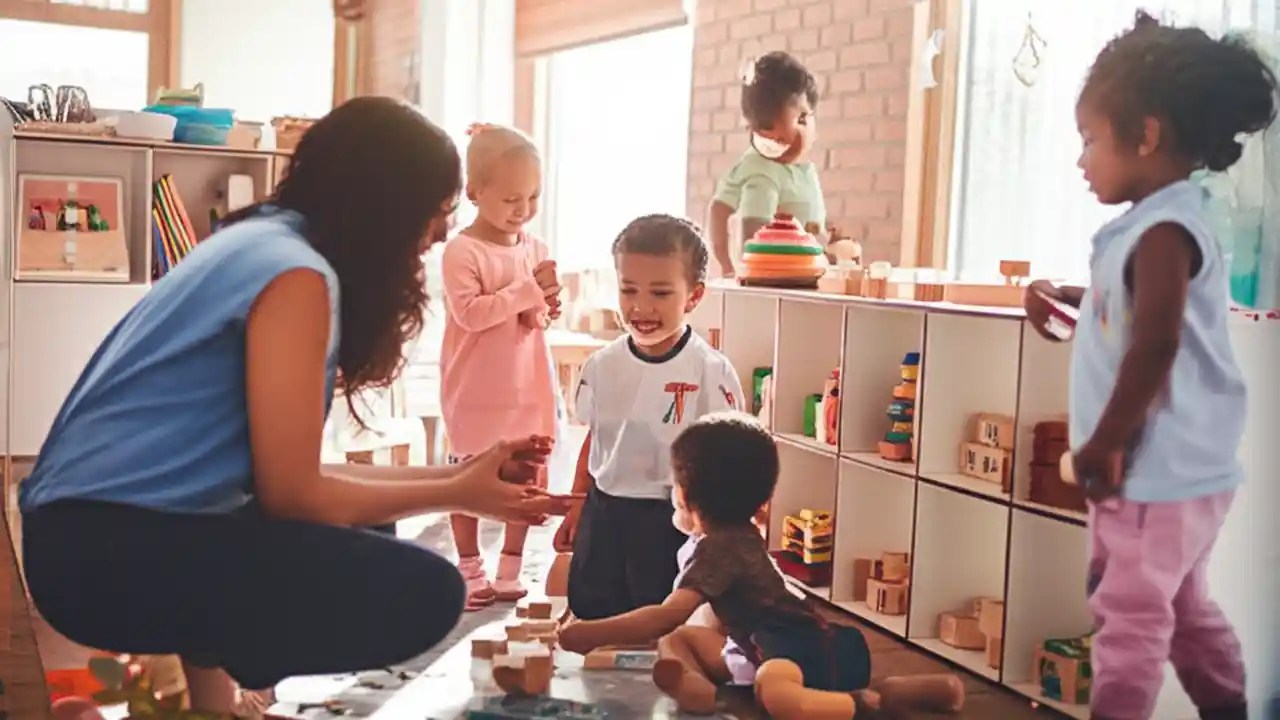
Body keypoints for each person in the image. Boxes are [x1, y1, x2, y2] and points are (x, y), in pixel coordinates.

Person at [18, 97, 568, 716]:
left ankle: (217, 703)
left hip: (83, 537)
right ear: (386, 206)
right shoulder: (297, 277)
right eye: (437, 213)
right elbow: (294, 495)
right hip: (107, 552)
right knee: (427, 589)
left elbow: (290, 480)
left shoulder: (258, 240)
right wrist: (457, 492)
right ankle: (237, 680)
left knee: (365, 523)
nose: (441, 233)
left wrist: (457, 477)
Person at [1024, 12, 1276, 720]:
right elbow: (1133, 311)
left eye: (1090, 140)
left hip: (1154, 472)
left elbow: (1157, 342)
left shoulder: (1164, 230)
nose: (1082, 161)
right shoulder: (1158, 224)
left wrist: (1106, 439)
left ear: (1147, 136)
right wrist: (1065, 296)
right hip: (1184, 472)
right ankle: (1228, 708)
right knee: (1184, 610)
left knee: (1129, 616)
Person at [557, 412, 965, 718]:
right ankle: (696, 687)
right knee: (682, 641)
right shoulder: (737, 531)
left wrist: (589, 633)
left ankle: (864, 702)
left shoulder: (718, 548)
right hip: (758, 645)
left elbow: (664, 615)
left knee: (776, 693)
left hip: (798, 649)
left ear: (683, 495)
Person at [553, 214, 743, 621]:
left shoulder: (710, 370)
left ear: (692, 297)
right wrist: (577, 504)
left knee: (657, 619)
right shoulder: (602, 366)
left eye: (660, 293)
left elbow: (724, 458)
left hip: (669, 519)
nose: (641, 307)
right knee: (592, 608)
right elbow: (597, 438)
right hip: (605, 511)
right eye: (628, 290)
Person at [440, 122, 562, 611]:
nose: (524, 210)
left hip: (526, 380)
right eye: (512, 198)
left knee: (528, 474)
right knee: (468, 473)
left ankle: (511, 563)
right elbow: (470, 314)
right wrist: (527, 293)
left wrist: (547, 306)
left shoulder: (534, 249)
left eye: (533, 197)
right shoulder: (462, 251)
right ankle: (469, 565)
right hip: (475, 386)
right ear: (475, 191)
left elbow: (537, 318)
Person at [706, 51, 828, 279]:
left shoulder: (805, 172)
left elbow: (815, 226)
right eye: (777, 141)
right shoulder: (760, 170)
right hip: (773, 280)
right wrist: (726, 264)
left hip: (807, 276)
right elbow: (724, 212)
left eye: (804, 119)